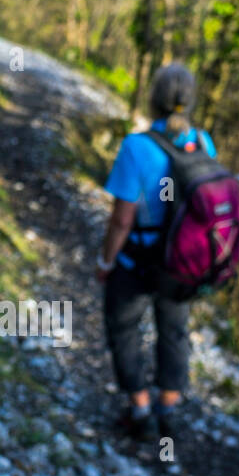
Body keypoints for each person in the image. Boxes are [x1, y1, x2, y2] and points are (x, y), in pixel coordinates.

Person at [96, 63, 216, 445]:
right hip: (182, 263)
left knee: (124, 328)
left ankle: (140, 408)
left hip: (137, 261)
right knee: (174, 331)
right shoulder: (203, 142)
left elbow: (121, 219)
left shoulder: (135, 146)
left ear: (153, 98)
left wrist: (106, 261)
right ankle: (168, 408)